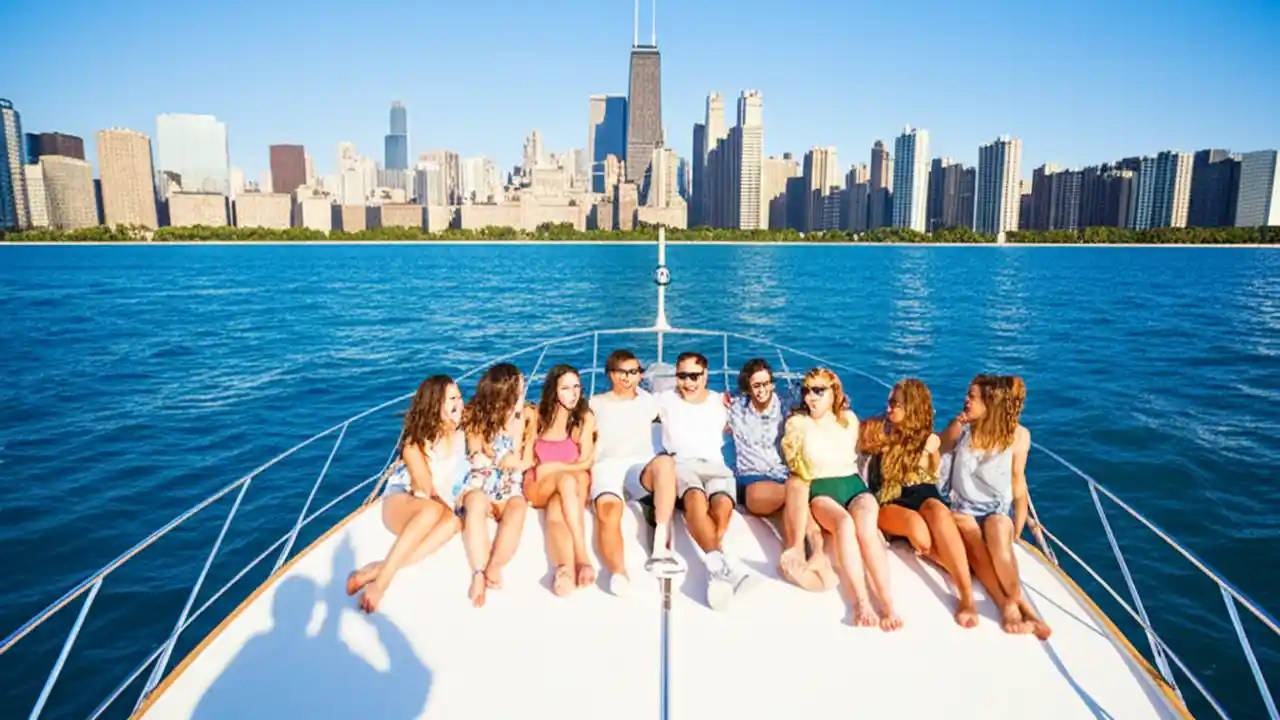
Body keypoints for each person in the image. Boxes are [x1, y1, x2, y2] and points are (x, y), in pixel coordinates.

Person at [781, 367, 901, 631]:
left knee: (867, 527)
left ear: (834, 392)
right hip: (822, 488)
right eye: (807, 391)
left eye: (818, 391)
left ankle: (888, 604)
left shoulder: (849, 419)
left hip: (853, 484)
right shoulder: (797, 423)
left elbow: (877, 435)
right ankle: (861, 602)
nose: (810, 397)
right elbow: (795, 463)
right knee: (844, 525)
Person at [859, 379, 978, 628]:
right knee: (919, 532)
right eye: (889, 401)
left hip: (922, 493)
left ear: (912, 407)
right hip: (889, 499)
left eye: (895, 403)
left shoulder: (927, 439)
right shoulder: (878, 429)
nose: (888, 407)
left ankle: (966, 596)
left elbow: (947, 440)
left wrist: (960, 422)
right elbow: (847, 430)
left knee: (938, 510)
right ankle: (954, 561)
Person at [941, 374, 1051, 639]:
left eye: (972, 397)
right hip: (962, 507)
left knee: (1000, 540)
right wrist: (954, 427)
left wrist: (1020, 525)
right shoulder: (962, 428)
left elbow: (1018, 480)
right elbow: (940, 450)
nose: (966, 400)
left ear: (989, 403)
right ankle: (1013, 604)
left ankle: (1014, 600)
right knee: (977, 545)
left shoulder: (1017, 435)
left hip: (996, 509)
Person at [347, 375, 467, 613]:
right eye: (452, 398)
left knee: (456, 521)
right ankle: (381, 584)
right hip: (404, 501)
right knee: (435, 511)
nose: (460, 403)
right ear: (435, 404)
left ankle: (378, 569)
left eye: (460, 397)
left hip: (437, 506)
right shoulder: (415, 444)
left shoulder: (463, 430)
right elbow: (426, 490)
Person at [725, 358, 834, 591]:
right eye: (756, 385)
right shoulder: (734, 406)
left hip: (782, 476)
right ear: (748, 387)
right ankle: (808, 552)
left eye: (766, 384)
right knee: (795, 493)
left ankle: (807, 555)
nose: (762, 390)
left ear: (773, 384)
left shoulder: (786, 406)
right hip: (752, 479)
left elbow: (822, 403)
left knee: (793, 495)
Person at [657, 352, 753, 610]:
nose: (688, 382)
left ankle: (715, 564)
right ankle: (719, 564)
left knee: (722, 504)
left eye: (694, 376)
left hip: (716, 468)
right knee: (695, 499)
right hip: (683, 466)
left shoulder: (720, 402)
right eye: (682, 376)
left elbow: (753, 412)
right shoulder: (664, 401)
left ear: (705, 375)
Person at [589, 349, 683, 596]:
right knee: (608, 510)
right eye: (622, 372)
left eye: (634, 372)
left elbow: (684, 403)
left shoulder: (650, 402)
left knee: (665, 464)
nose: (628, 378)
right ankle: (618, 571)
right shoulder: (595, 404)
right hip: (606, 466)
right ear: (611, 374)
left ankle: (660, 548)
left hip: (638, 468)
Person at [458, 363, 533, 608]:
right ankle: (478, 572)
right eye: (520, 388)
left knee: (518, 507)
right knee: (477, 502)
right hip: (481, 480)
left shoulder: (523, 416)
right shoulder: (473, 417)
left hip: (508, 485)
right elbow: (482, 454)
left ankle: (494, 566)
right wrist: (505, 459)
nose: (524, 392)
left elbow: (520, 457)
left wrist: (521, 417)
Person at [521, 364, 597, 595]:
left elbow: (586, 461)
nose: (573, 393)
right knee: (565, 484)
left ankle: (564, 568)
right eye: (565, 388)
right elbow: (526, 459)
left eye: (576, 387)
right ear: (554, 390)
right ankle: (582, 557)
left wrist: (555, 466)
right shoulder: (537, 417)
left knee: (557, 510)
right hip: (539, 485)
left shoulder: (583, 418)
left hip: (569, 485)